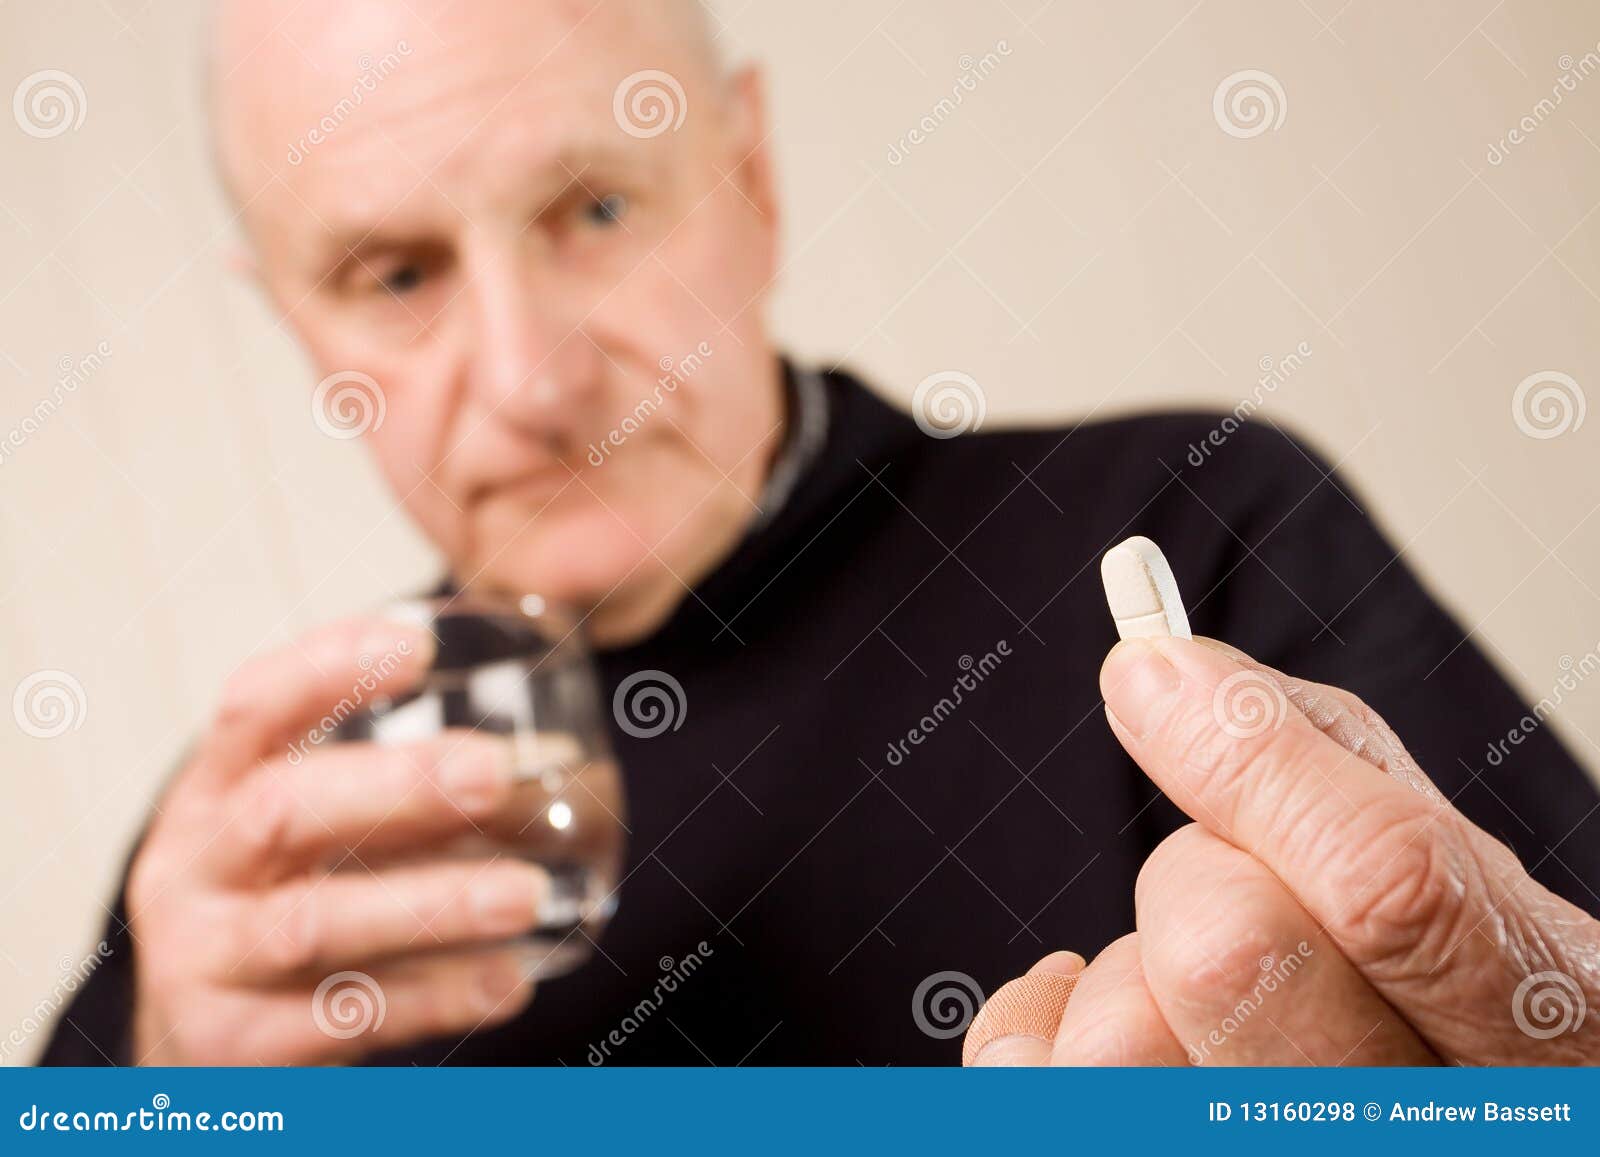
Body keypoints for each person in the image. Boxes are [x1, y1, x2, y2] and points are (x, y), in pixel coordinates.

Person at [42, 0, 1600, 1066]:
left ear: (752, 182)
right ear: (299, 331)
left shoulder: (1183, 529)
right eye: (392, 275)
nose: (530, 380)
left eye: (595, 209)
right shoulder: (261, 853)